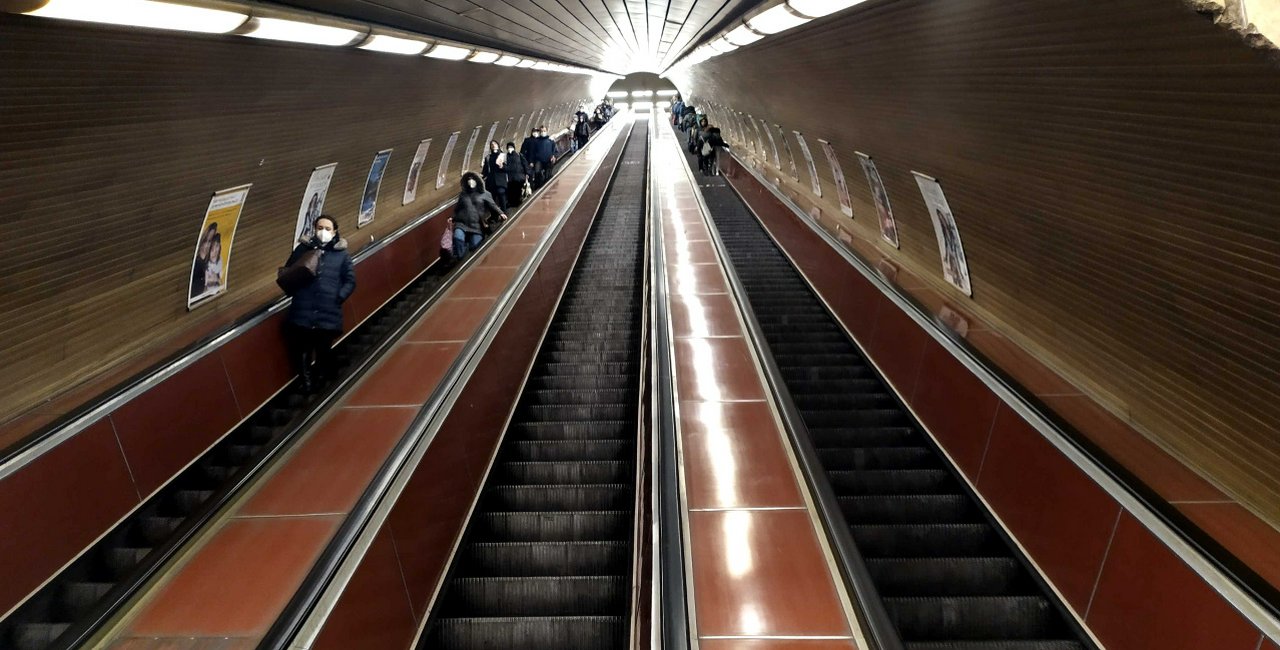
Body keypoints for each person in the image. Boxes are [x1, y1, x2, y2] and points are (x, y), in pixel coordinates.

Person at [283, 215, 356, 391]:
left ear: (335, 231)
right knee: (303, 349)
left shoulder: (342, 255)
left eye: (327, 228)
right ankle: (307, 383)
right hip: (303, 307)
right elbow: (289, 271)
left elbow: (350, 281)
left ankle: (321, 381)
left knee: (323, 349)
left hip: (328, 309)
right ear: (314, 229)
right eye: (320, 227)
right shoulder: (303, 249)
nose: (323, 232)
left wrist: (339, 297)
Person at [454, 171, 506, 260]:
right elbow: (457, 209)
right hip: (462, 224)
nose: (470, 181)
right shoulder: (463, 194)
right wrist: (452, 217)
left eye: (472, 179)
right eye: (468, 179)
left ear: (477, 180)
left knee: (474, 245)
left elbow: (493, 205)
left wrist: (501, 213)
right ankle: (460, 257)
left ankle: (465, 252)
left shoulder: (485, 194)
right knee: (457, 237)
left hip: (477, 226)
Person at [190, 223, 217, 299]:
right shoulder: (197, 265)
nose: (209, 245)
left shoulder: (209, 262)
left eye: (211, 241)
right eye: (207, 241)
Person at [481, 140, 509, 210]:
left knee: (501, 193)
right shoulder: (488, 157)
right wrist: (481, 176)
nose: (494, 145)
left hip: (501, 180)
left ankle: (504, 212)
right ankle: (494, 216)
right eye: (492, 144)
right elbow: (485, 170)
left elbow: (508, 168)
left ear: (498, 145)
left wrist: (502, 166)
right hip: (491, 181)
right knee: (492, 199)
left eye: (495, 144)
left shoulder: (503, 155)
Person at [503, 141, 529, 209]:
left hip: (519, 177)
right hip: (510, 178)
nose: (509, 148)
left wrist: (527, 173)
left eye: (511, 147)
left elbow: (525, 164)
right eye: (508, 147)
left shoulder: (519, 155)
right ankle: (513, 203)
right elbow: (503, 167)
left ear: (514, 148)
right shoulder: (505, 157)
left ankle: (518, 202)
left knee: (518, 190)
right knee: (511, 191)